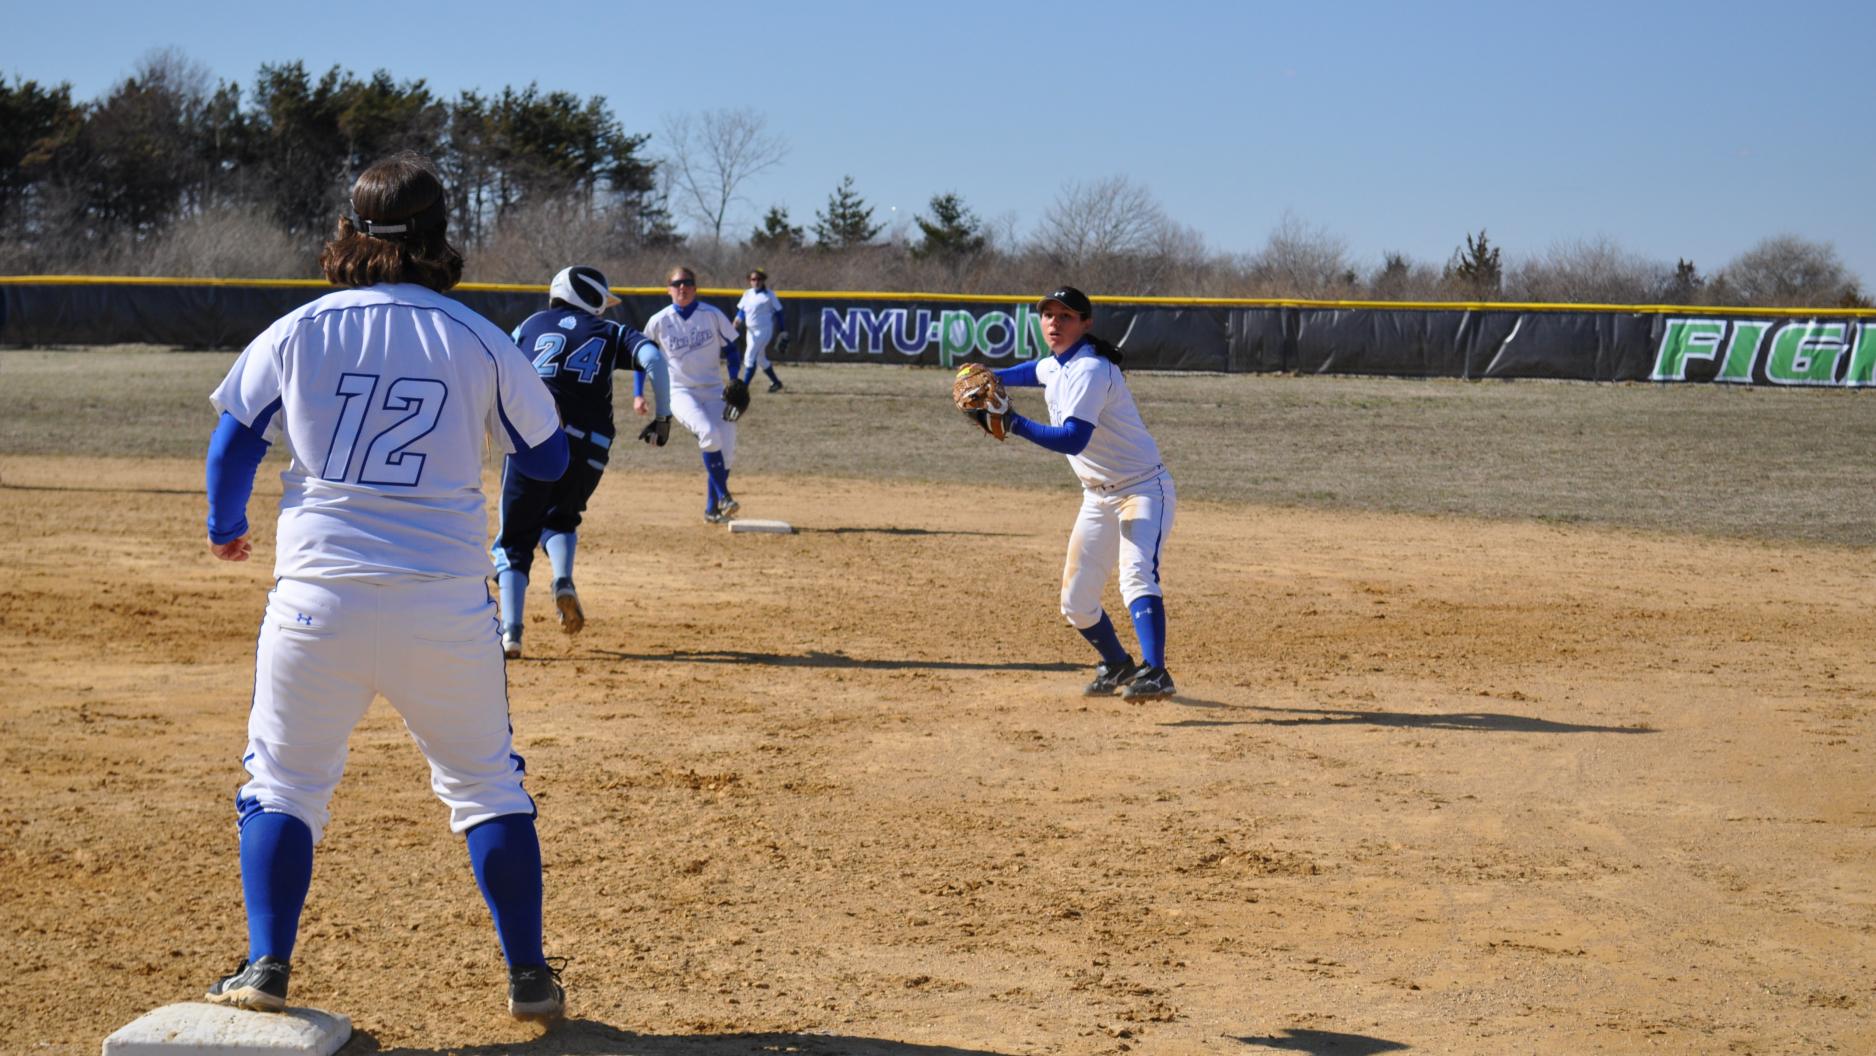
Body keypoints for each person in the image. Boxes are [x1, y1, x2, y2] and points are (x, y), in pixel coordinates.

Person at [200, 153, 569, 1021]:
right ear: (441, 237)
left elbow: (232, 447)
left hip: (316, 597)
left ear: (348, 232)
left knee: (284, 785)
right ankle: (529, 977)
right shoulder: (478, 335)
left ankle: (266, 967)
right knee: (486, 785)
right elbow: (547, 457)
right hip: (442, 602)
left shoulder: (300, 329)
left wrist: (226, 528)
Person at [983, 285, 1177, 701]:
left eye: (1066, 316)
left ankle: (1157, 671)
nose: (1055, 322)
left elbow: (1073, 439)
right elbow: (1035, 370)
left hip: (1142, 488)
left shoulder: (1091, 369)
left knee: (1136, 574)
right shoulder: (1058, 364)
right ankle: (1118, 663)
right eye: (1049, 315)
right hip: (1098, 496)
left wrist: (1013, 422)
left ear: (1086, 324)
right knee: (1076, 601)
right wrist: (993, 376)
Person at [494, 265, 671, 658]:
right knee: (561, 518)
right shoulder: (610, 333)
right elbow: (655, 360)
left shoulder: (530, 325)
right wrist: (663, 418)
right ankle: (562, 578)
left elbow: (497, 371)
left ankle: (512, 633)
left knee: (515, 539)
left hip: (536, 438)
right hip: (592, 446)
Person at [641, 266, 746, 523]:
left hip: (714, 390)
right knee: (708, 433)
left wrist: (734, 380)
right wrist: (637, 394)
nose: (682, 288)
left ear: (695, 287)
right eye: (677, 284)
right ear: (668, 289)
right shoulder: (659, 321)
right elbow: (641, 359)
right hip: (679, 392)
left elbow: (732, 351)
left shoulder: (711, 315)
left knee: (727, 449)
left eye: (687, 283)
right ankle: (724, 496)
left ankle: (712, 509)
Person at [734, 268, 788, 393]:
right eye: (753, 279)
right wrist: (737, 319)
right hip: (750, 331)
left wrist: (783, 330)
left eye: (759, 279)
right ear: (749, 281)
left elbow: (779, 312)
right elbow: (742, 310)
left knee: (749, 356)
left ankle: (743, 388)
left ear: (763, 280)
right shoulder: (747, 293)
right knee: (760, 359)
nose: (756, 281)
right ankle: (776, 382)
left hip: (764, 330)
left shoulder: (769, 295)